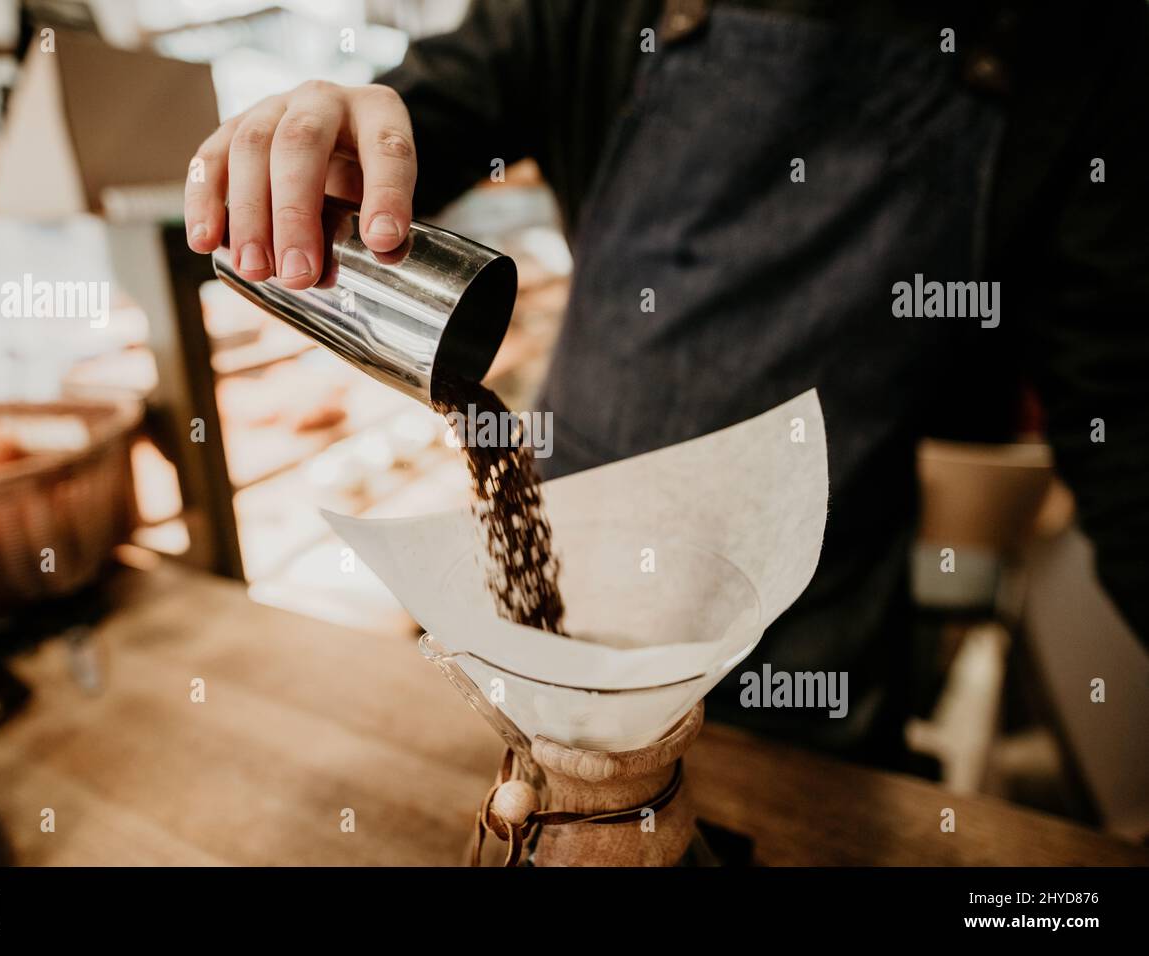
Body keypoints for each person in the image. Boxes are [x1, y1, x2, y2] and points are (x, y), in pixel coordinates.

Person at [184, 0, 1149, 765]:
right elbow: (430, 114)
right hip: (559, 595)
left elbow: (1124, 421)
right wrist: (333, 143)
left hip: (809, 648)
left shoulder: (1075, 37)